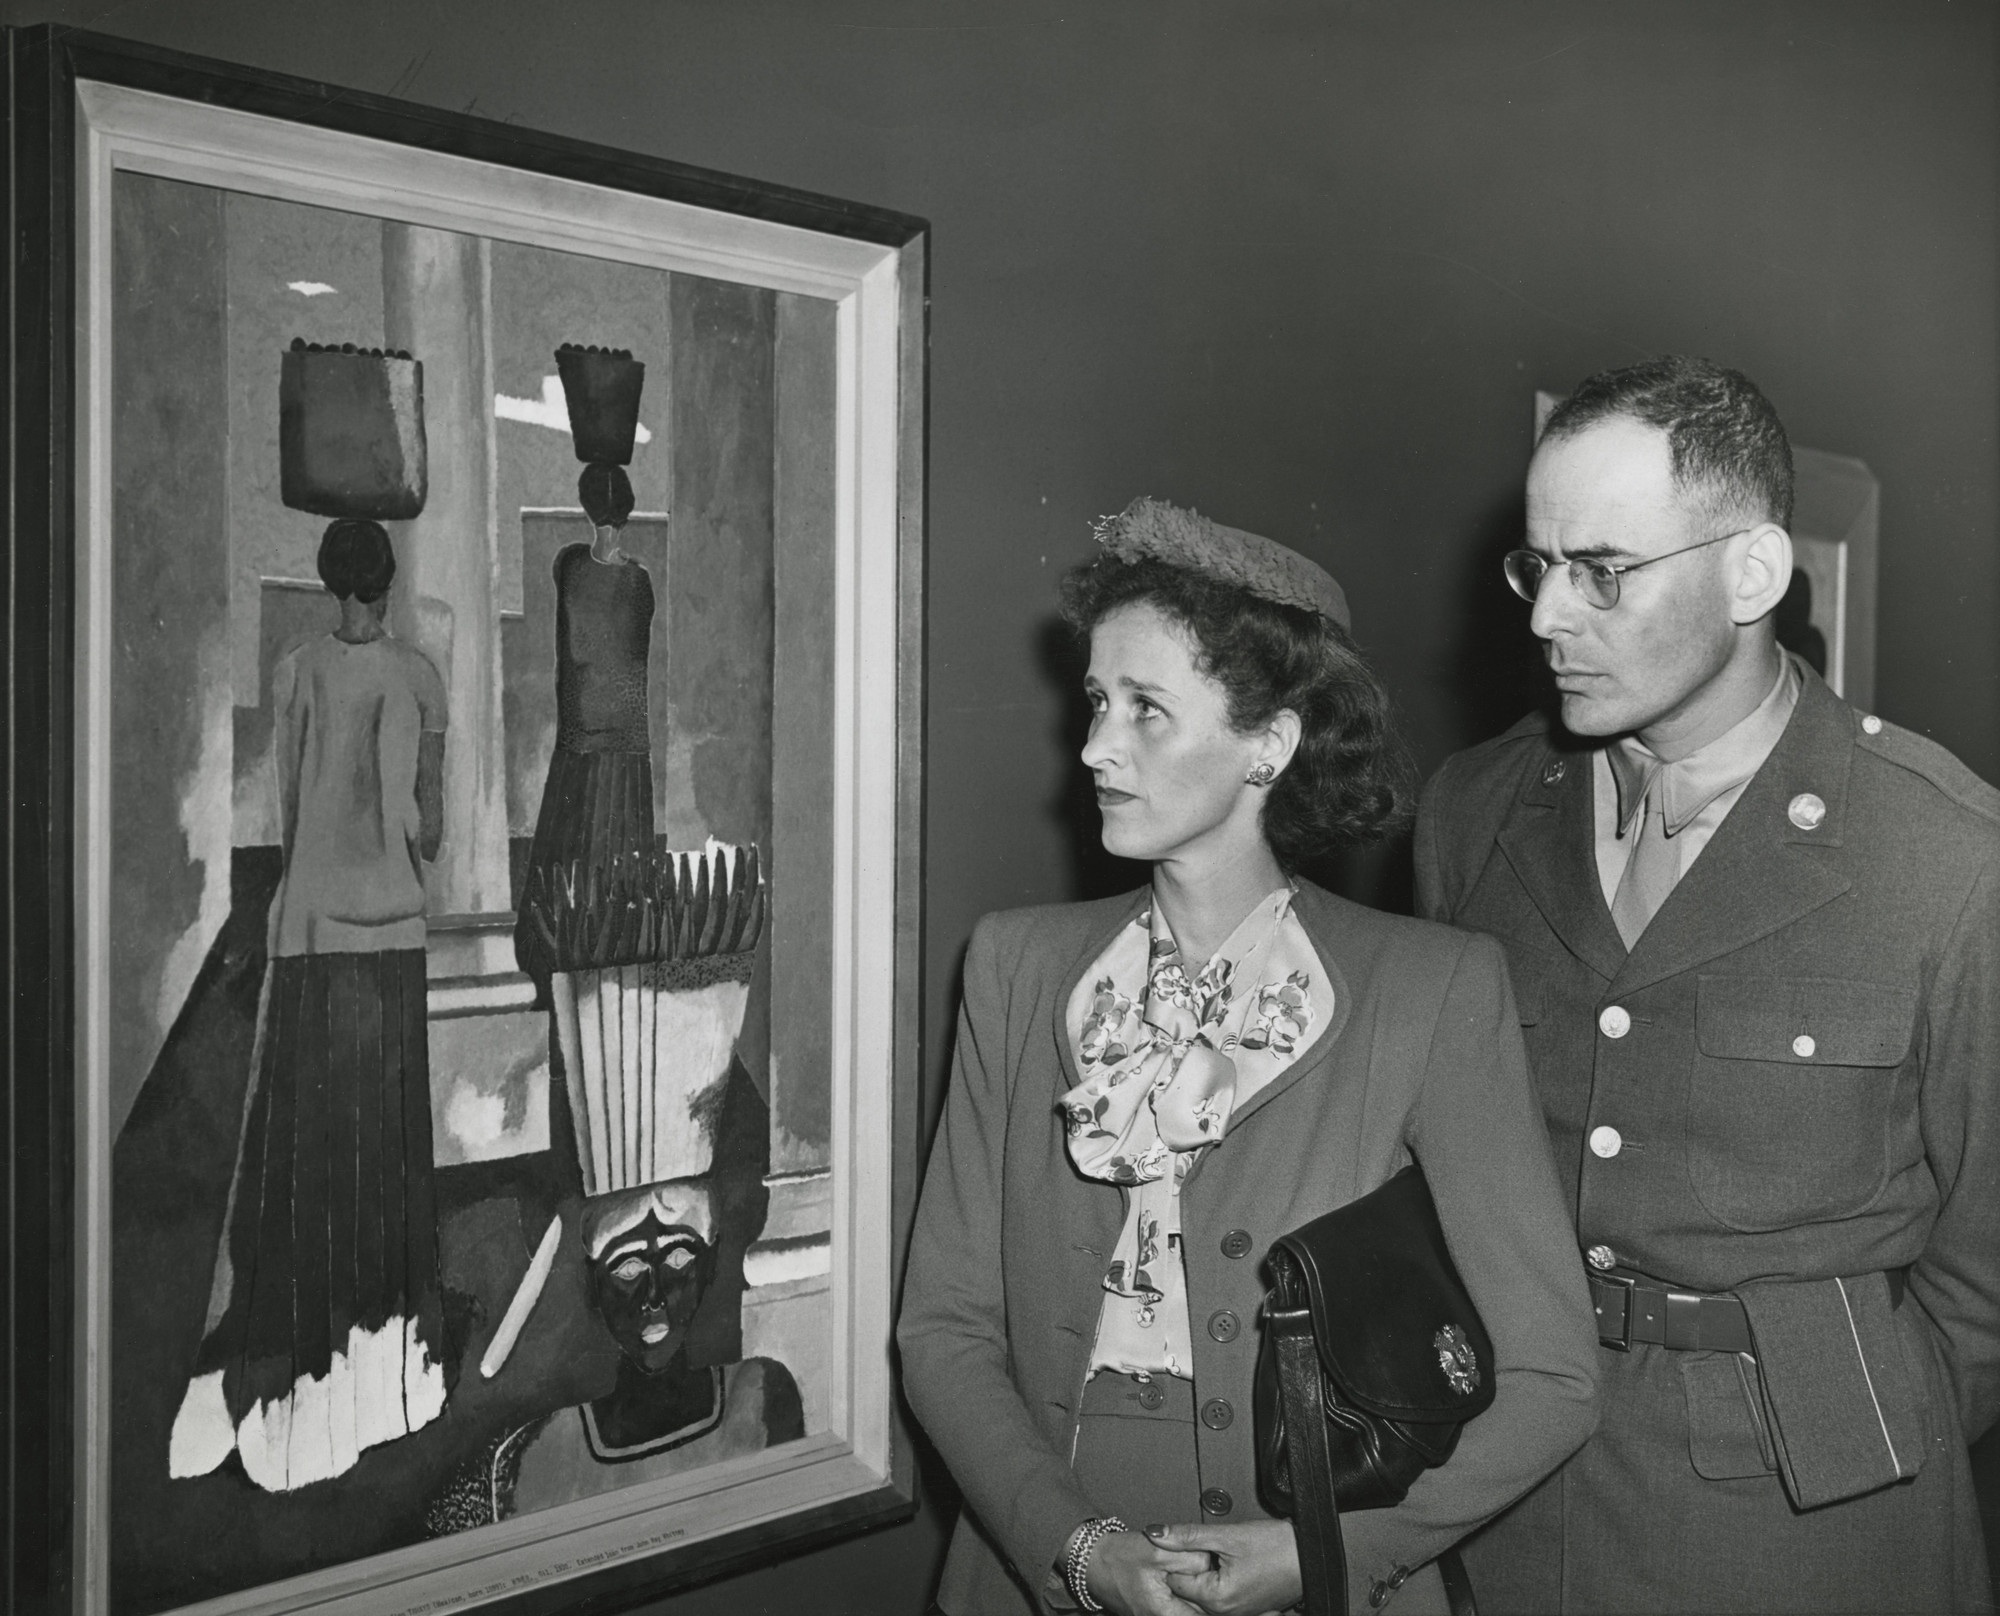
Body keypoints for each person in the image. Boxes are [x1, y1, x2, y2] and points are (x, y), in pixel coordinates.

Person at [900, 497, 1598, 1616]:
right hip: (1038, 1556)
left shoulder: (1428, 989)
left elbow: (1555, 1380)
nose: (1093, 745)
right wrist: (1075, 1547)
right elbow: (942, 1325)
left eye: (1145, 710)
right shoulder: (1016, 968)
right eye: (1093, 701)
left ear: (1267, 742)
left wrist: (1334, 1550)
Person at [1416, 356, 2000, 1613]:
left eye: (1602, 571)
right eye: (1537, 566)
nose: (1544, 617)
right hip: (1512, 1485)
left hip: (1811, 1521)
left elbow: (1986, 1270)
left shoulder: (1940, 855)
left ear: (1752, 573)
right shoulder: (1473, 811)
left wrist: (1858, 1423)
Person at [170, 517, 450, 1492]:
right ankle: (387, 1378)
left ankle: (284, 1376)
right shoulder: (417, 675)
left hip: (307, 921)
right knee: (379, 1139)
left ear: (332, 581)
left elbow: (294, 803)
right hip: (389, 926)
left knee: (303, 1141)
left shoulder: (294, 670)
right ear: (390, 579)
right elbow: (426, 818)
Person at [426, 1182, 803, 1531]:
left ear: (709, 1266)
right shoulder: (538, 1455)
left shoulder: (759, 1397)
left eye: (676, 1260)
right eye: (629, 1268)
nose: (654, 1295)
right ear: (595, 1286)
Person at [514, 461, 657, 993]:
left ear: (585, 507)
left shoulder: (569, 566)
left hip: (580, 743)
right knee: (616, 867)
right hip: (625, 744)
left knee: (568, 859)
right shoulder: (639, 582)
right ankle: (610, 968)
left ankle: (556, 965)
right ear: (629, 510)